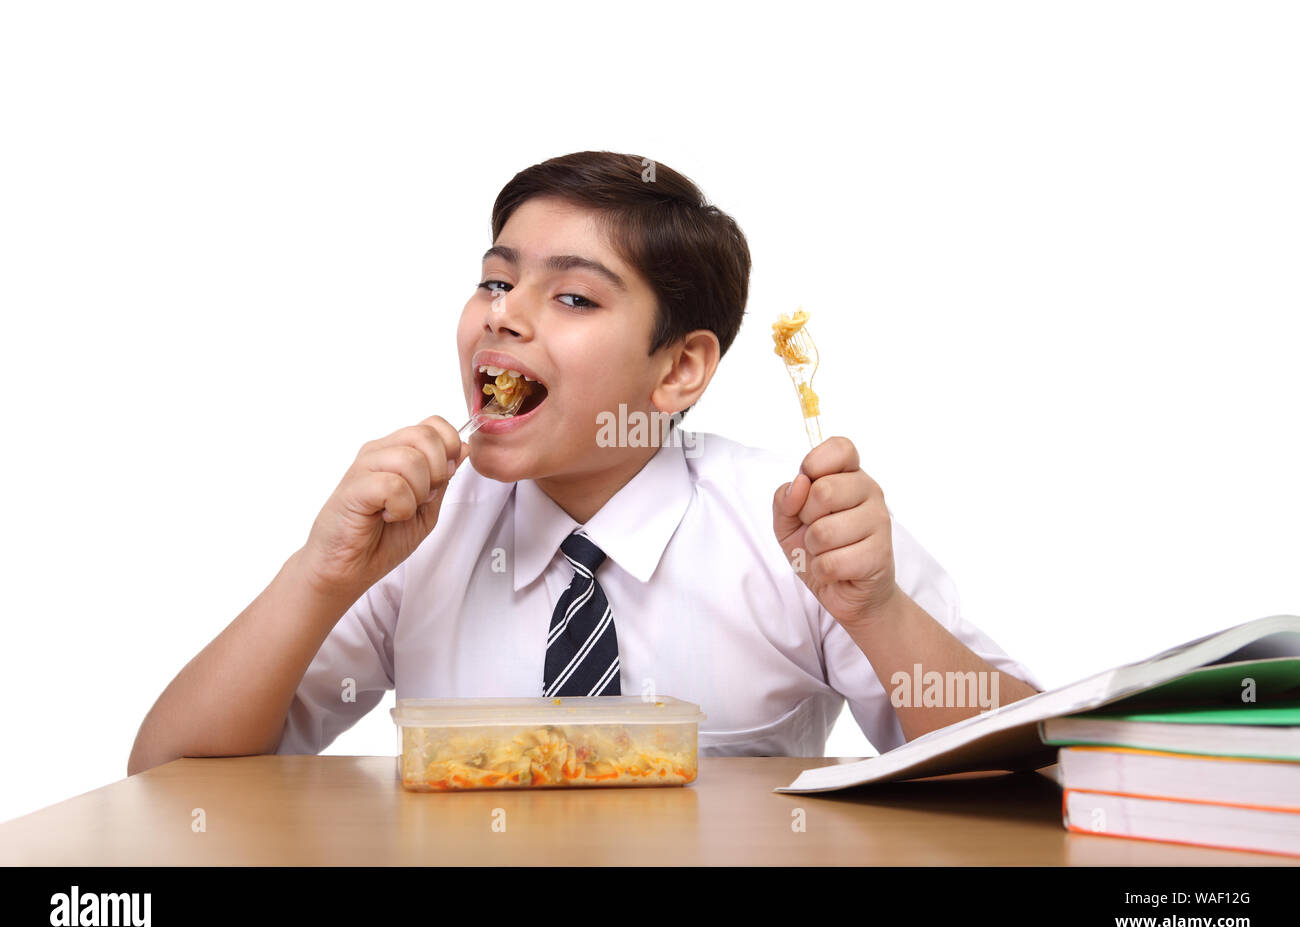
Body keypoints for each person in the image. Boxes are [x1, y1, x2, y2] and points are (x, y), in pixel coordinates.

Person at [127, 150, 1042, 776]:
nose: (504, 314)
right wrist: (319, 575)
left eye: (569, 295)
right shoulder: (415, 533)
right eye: (495, 279)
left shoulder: (796, 527)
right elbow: (169, 777)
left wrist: (875, 613)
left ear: (679, 368)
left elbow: (1033, 761)